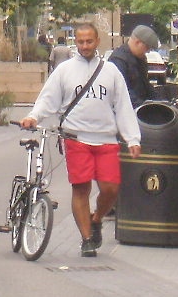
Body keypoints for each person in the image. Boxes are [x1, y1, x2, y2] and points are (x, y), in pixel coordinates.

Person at [21, 22, 140, 257]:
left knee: (111, 188)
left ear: (97, 42)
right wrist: (34, 116)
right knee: (81, 188)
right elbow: (48, 98)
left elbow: (123, 106)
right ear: (76, 42)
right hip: (76, 138)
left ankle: (96, 219)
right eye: (81, 41)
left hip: (106, 139)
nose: (85, 46)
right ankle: (87, 239)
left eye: (89, 41)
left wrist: (133, 138)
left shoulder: (111, 71)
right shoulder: (64, 70)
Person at [109, 24, 164, 110]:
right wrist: (144, 107)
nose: (148, 51)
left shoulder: (140, 59)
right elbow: (123, 92)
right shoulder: (118, 60)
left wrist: (161, 102)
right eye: (147, 48)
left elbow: (145, 85)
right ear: (137, 42)